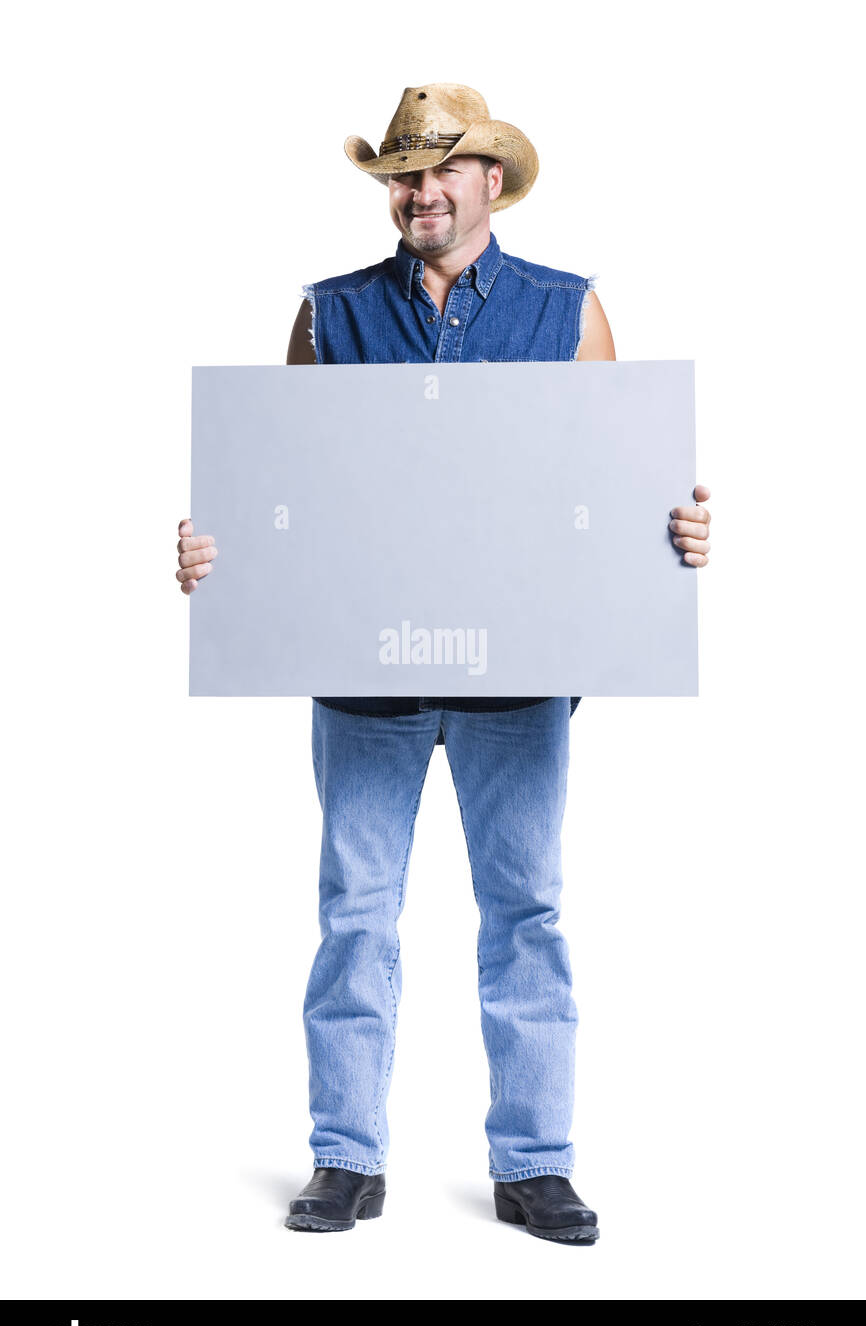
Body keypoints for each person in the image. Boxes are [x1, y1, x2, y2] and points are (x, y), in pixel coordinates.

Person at [175, 83, 712, 1243]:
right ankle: (344, 1156)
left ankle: (534, 1163)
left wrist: (673, 537)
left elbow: (612, 493)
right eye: (400, 178)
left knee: (525, 912)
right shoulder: (328, 313)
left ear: (487, 183)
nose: (417, 194)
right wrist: (217, 554)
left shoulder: (568, 312)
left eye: (437, 174)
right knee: (355, 914)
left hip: (516, 675)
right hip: (364, 678)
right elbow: (282, 494)